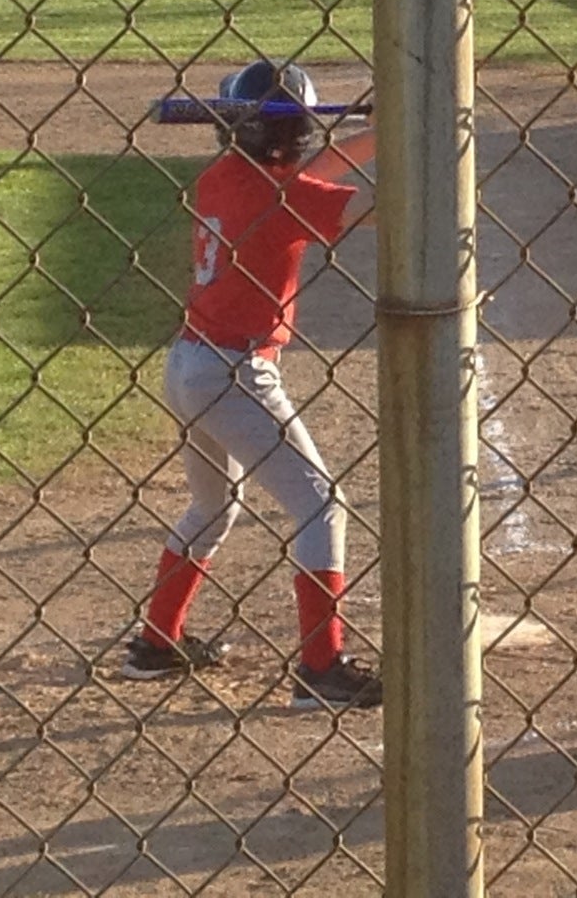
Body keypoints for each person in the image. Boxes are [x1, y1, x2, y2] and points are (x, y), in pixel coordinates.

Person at [121, 60, 384, 711]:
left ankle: (157, 642)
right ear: (295, 137)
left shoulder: (223, 179)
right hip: (236, 373)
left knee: (214, 507)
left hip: (188, 366)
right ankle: (320, 668)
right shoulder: (284, 196)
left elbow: (308, 180)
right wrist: (412, 137)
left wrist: (379, 132)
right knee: (321, 505)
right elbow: (375, 205)